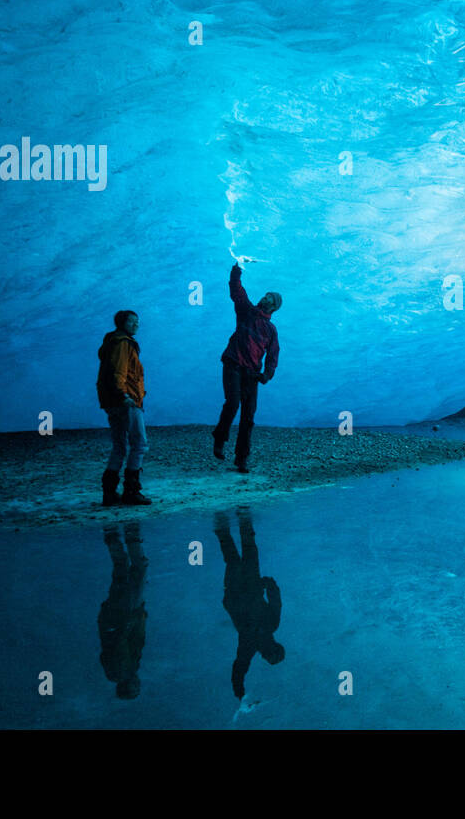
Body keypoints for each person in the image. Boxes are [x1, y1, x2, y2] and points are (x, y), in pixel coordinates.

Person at [212, 264, 280, 473]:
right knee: (232, 403)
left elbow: (273, 355)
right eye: (266, 295)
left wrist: (266, 375)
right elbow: (237, 292)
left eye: (270, 297)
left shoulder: (270, 330)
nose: (265, 297)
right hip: (233, 364)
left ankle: (241, 458)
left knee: (248, 416)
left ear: (274, 306)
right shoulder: (246, 311)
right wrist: (235, 272)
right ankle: (220, 438)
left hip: (251, 374)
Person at [214, 508, 284, 700]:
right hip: (245, 591)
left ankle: (235, 524)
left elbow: (240, 667)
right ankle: (229, 525)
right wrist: (269, 584)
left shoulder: (254, 640)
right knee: (238, 558)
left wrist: (269, 584)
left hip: (241, 593)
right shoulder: (262, 634)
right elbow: (239, 668)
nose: (268, 645)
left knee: (240, 558)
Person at [97, 310, 150, 505]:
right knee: (139, 444)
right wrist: (124, 394)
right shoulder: (123, 344)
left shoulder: (112, 342)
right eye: (132, 321)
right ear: (122, 323)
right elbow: (119, 371)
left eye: (138, 321)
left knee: (119, 446)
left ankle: (109, 493)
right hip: (126, 401)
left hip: (111, 402)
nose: (136, 324)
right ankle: (131, 491)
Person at [98, 522, 147, 699]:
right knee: (120, 571)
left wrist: (136, 617)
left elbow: (121, 640)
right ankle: (111, 535)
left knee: (138, 570)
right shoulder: (117, 670)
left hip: (127, 613)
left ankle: (132, 534)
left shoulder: (124, 669)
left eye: (136, 688)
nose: (139, 684)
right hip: (114, 614)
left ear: (129, 686)